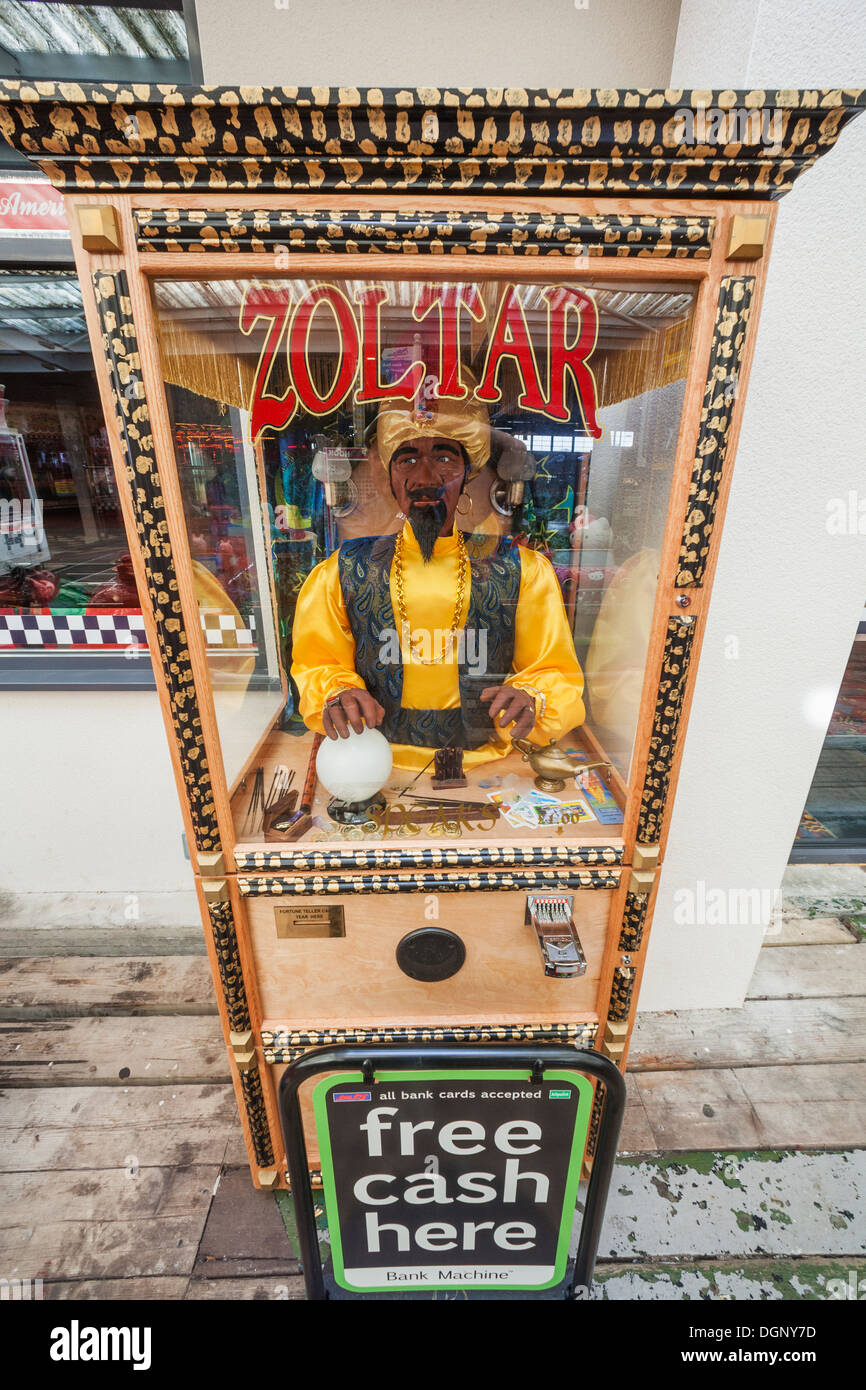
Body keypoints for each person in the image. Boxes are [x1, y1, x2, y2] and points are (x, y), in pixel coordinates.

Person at [290, 385, 586, 771]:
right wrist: (337, 693)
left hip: (492, 765)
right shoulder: (344, 571)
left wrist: (533, 698)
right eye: (407, 461)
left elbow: (554, 671)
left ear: (467, 475)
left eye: (444, 458)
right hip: (373, 765)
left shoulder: (522, 569)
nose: (425, 478)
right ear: (391, 478)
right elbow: (317, 664)